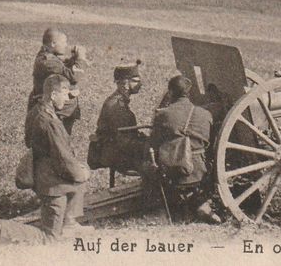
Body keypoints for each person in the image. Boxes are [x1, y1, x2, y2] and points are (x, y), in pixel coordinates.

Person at [0, 74, 91, 245]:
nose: (66, 98)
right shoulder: (50, 122)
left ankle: (69, 223)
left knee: (80, 174)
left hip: (42, 173)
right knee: (50, 238)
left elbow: (29, 141)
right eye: (64, 94)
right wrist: (81, 173)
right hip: (53, 184)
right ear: (53, 95)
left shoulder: (35, 111)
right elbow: (63, 158)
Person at [148, 75, 220, 224]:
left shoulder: (163, 114)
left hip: (171, 171)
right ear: (189, 93)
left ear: (170, 92)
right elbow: (211, 145)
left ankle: (167, 206)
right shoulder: (205, 114)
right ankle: (201, 205)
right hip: (199, 171)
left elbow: (153, 143)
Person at [89, 61, 147, 174]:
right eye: (136, 81)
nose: (140, 84)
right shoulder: (117, 107)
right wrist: (147, 143)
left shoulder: (117, 100)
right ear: (124, 83)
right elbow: (123, 141)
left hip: (112, 149)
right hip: (115, 154)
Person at [27, 27, 87, 135]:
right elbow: (73, 76)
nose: (66, 45)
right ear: (53, 43)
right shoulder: (47, 60)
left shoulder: (51, 57)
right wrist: (80, 59)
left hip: (59, 109)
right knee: (58, 140)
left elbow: (63, 67)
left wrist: (73, 59)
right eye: (64, 42)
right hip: (55, 110)